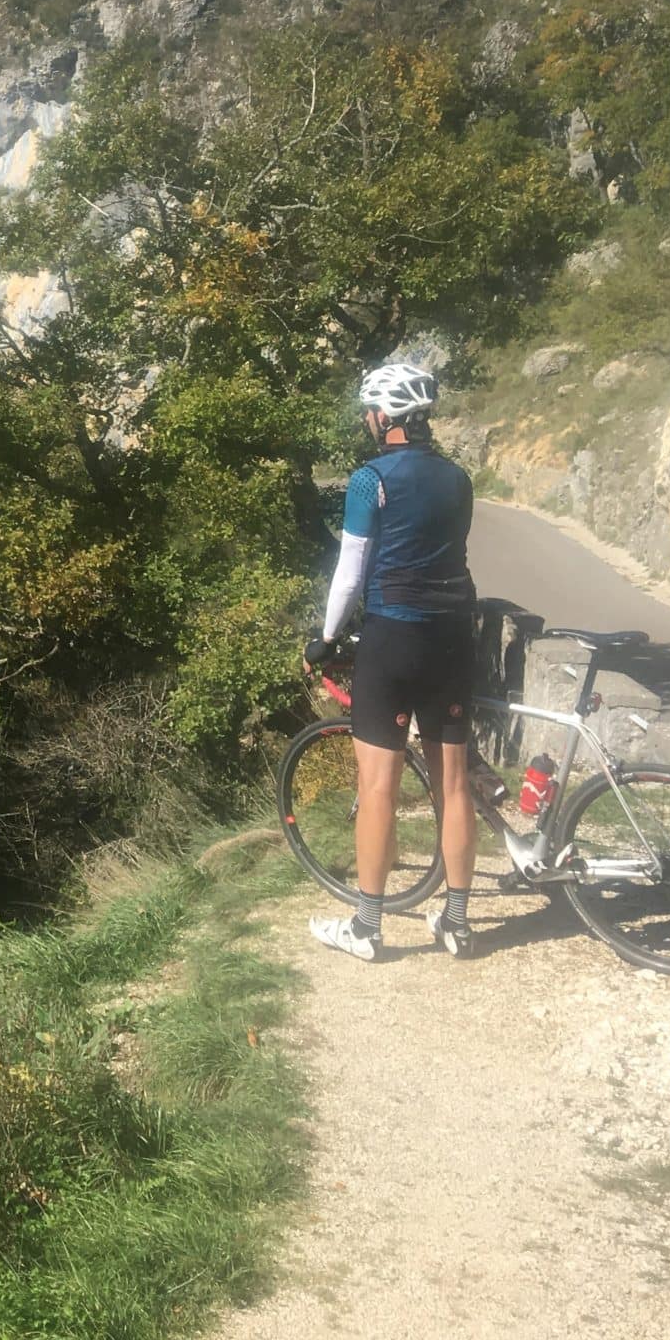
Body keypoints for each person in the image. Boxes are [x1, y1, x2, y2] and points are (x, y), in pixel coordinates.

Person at [306, 360, 481, 962]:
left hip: (394, 638)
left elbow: (351, 572)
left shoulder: (368, 479)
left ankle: (367, 928)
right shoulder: (458, 478)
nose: (366, 421)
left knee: (377, 786)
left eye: (369, 412)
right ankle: (457, 924)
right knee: (454, 787)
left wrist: (324, 639)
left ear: (384, 417)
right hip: (456, 635)